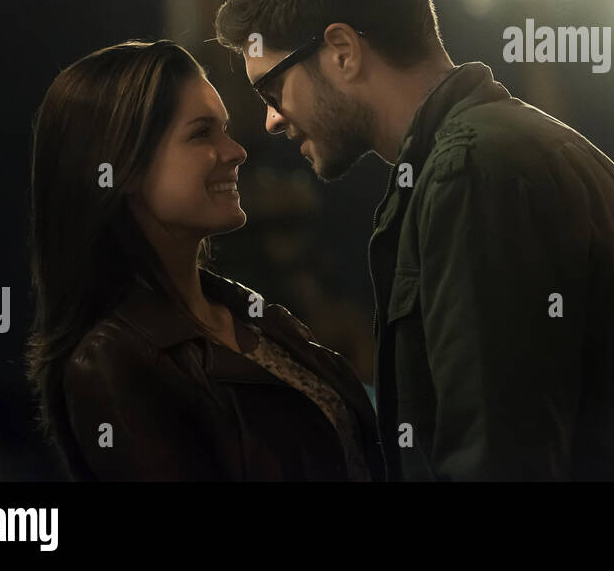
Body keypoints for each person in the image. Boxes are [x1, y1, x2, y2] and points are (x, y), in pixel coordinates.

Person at [214, 0, 614, 481]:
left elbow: (497, 454)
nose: (267, 121)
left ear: (341, 50)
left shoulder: (473, 171)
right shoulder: (503, 150)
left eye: (271, 87)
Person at [25, 39, 383, 480]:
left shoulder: (250, 316)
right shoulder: (112, 363)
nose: (236, 151)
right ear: (123, 166)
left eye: (225, 128)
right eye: (201, 133)